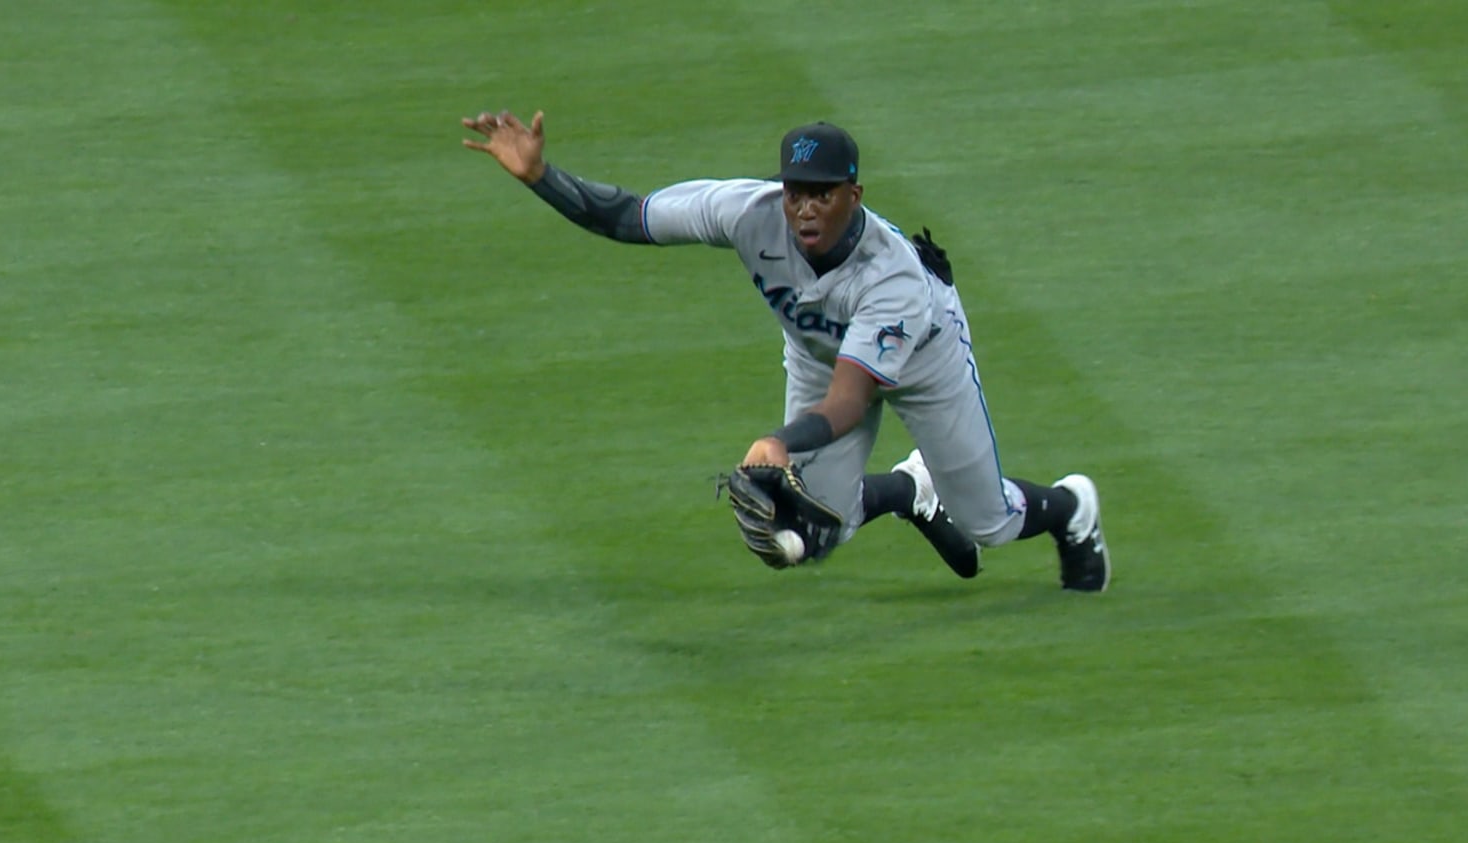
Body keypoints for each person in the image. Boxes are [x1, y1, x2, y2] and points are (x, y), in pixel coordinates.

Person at [461, 109, 1110, 591]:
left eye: (822, 193)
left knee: (988, 523)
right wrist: (540, 176)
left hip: (923, 360)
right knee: (817, 528)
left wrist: (777, 441)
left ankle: (1072, 508)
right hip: (818, 354)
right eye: (796, 190)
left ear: (853, 196)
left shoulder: (894, 280)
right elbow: (628, 218)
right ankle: (912, 493)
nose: (803, 207)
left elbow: (851, 402)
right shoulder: (748, 210)